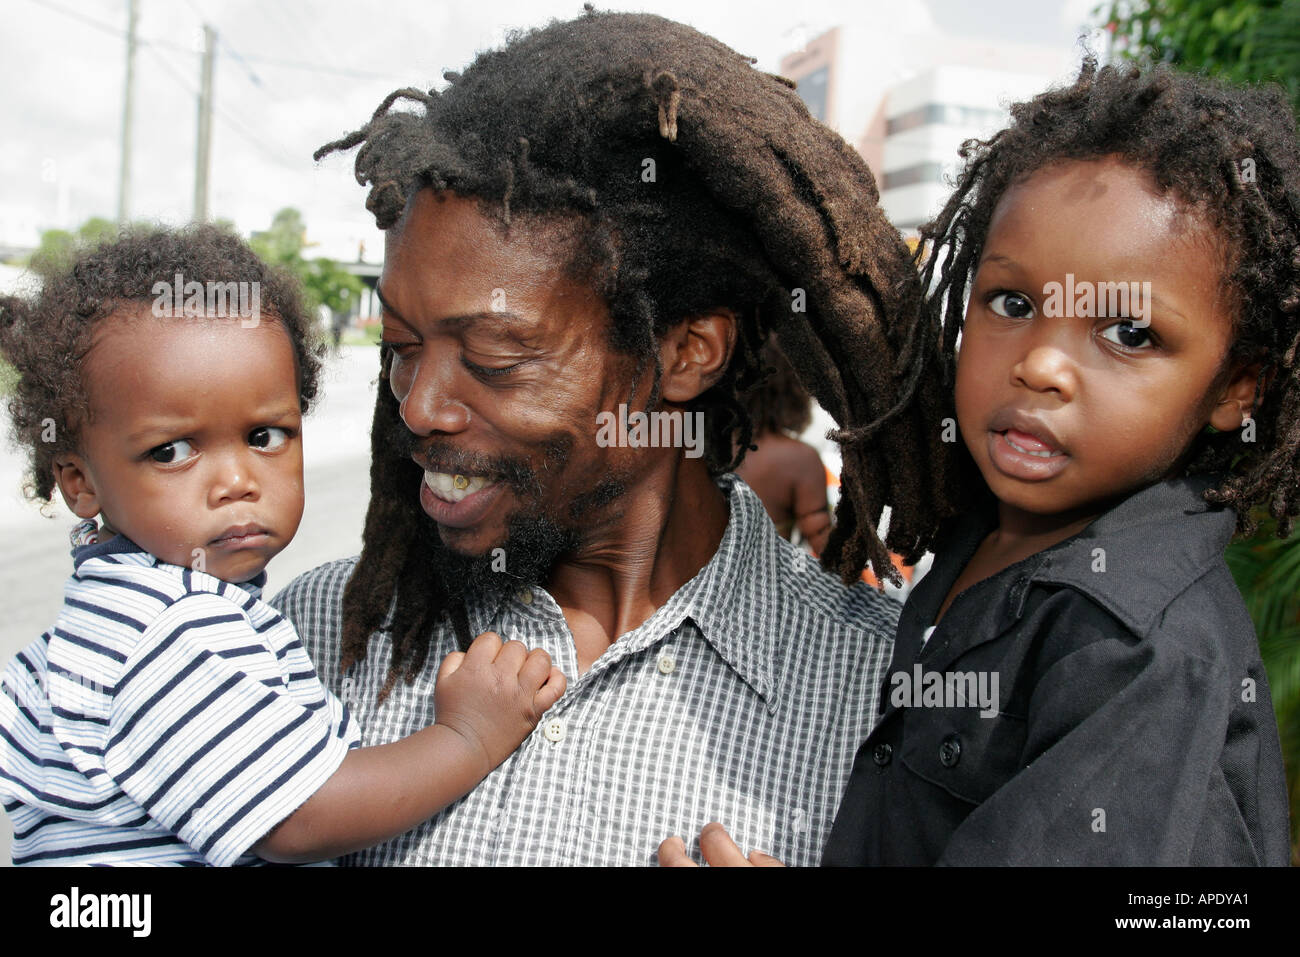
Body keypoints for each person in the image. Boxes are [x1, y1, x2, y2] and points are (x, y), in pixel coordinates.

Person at [270, 9, 952, 865]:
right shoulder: (309, 644)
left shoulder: (882, 697)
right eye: (403, 348)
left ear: (686, 353)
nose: (420, 407)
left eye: (493, 355)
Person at [664, 59, 1298, 866]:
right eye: (1012, 303)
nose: (1041, 365)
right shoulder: (982, 532)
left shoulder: (1135, 645)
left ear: (1236, 389)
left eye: (1129, 334)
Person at [0, 226, 564, 865]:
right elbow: (299, 817)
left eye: (265, 436)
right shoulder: (169, 629)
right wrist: (467, 736)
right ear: (79, 483)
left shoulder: (115, 612)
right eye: (171, 451)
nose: (238, 482)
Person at [734, 335, 832, 554]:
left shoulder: (699, 453)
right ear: (791, 386)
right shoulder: (799, 459)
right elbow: (822, 540)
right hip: (767, 583)